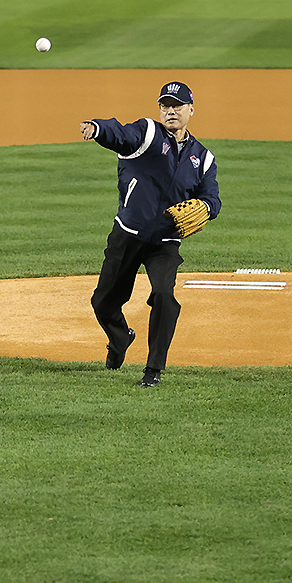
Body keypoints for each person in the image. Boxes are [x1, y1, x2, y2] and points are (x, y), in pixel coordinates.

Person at [80, 81, 221, 387]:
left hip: (165, 243)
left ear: (191, 110)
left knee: (164, 296)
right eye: (165, 106)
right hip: (128, 234)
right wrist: (97, 128)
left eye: (178, 106)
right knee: (103, 302)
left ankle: (153, 369)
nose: (171, 111)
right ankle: (120, 338)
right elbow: (119, 133)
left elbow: (212, 197)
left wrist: (207, 207)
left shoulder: (203, 158)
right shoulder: (146, 134)